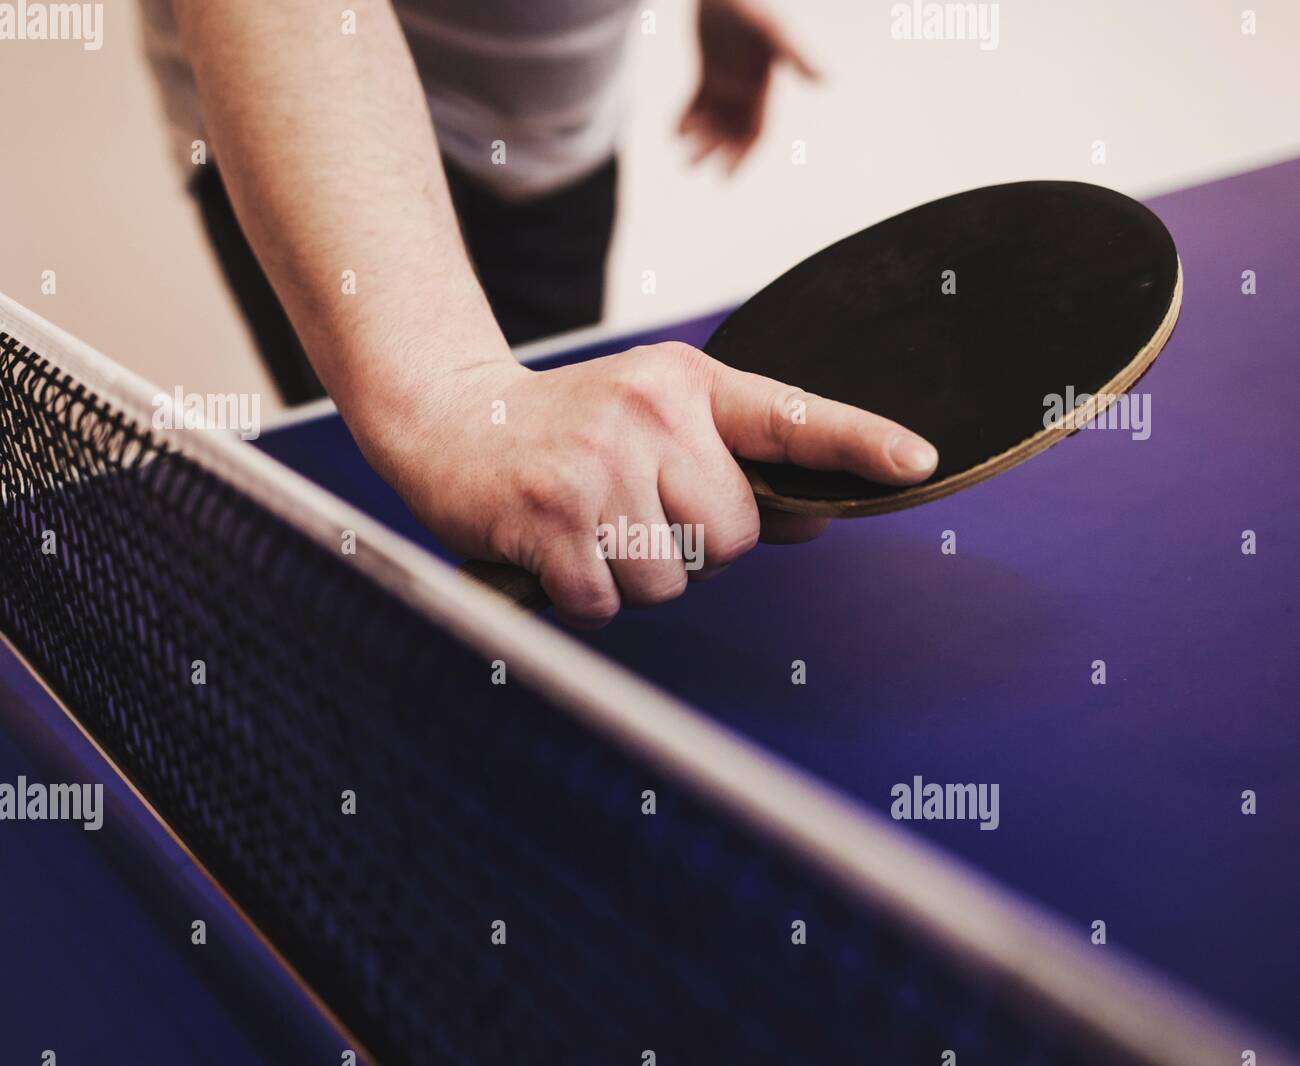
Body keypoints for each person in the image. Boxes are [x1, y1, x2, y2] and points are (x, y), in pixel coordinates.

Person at [144, 0, 939, 626]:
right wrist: (449, 393)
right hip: (328, 137)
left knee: (564, 503)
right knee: (422, 512)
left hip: (556, 139)